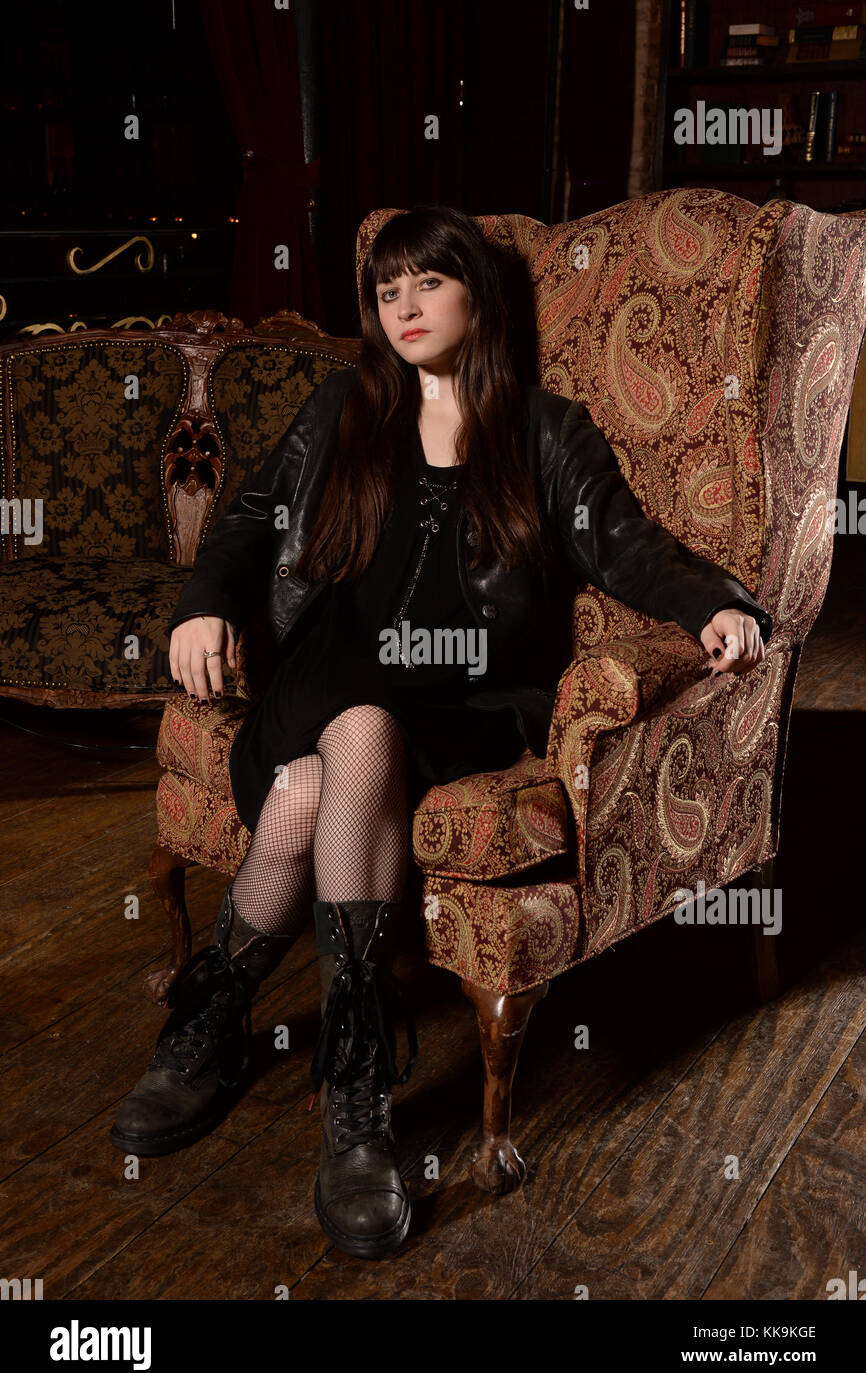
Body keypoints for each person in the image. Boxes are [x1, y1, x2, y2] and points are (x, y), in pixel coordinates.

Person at [110, 205, 773, 1261]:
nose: (404, 307)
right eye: (385, 290)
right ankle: (358, 1092)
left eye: (427, 283)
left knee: (303, 792)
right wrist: (200, 605)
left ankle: (219, 1019)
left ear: (476, 294)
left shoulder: (543, 431)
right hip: (327, 677)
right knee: (353, 726)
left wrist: (711, 605)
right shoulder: (341, 406)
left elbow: (624, 545)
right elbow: (247, 522)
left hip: (461, 700)